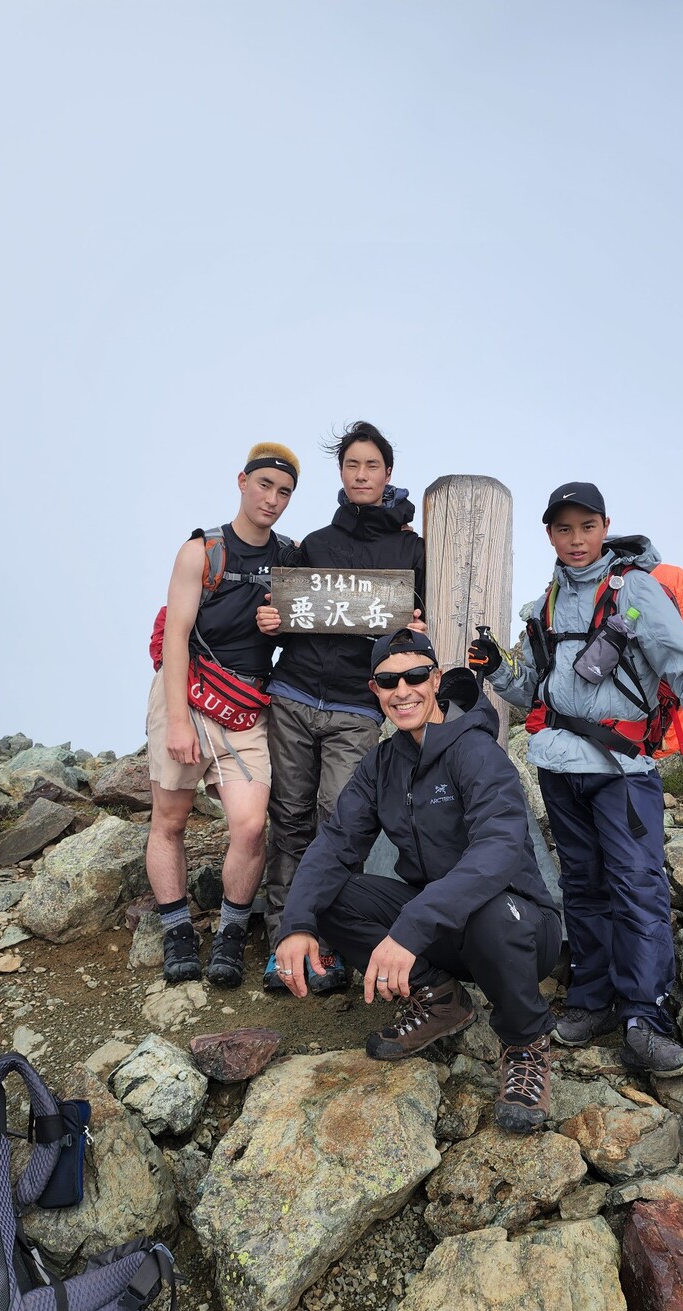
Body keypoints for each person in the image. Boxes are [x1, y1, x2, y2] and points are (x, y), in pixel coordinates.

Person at [469, 483, 683, 1077]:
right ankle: (592, 1000)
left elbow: (681, 659)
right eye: (563, 529)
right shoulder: (544, 604)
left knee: (637, 889)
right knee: (584, 886)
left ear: (604, 526)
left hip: (623, 769)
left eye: (586, 527)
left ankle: (646, 1018)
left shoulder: (636, 589)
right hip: (557, 764)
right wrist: (497, 670)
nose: (575, 540)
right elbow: (535, 690)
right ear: (550, 534)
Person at [273, 629, 563, 1130]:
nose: (402, 690)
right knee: (330, 896)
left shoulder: (476, 752)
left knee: (493, 910)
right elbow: (336, 844)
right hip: (443, 930)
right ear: (375, 689)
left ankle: (526, 1042)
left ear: (434, 680)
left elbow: (497, 852)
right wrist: (296, 923)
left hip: (521, 928)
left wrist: (409, 928)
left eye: (413, 676)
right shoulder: (381, 764)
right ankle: (441, 1000)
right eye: (388, 681)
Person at [258, 420, 426, 993]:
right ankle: (282, 943)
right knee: (289, 817)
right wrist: (270, 622)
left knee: (339, 820)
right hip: (295, 693)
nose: (361, 475)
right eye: (352, 465)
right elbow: (290, 625)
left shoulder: (413, 549)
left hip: (359, 705)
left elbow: (422, 631)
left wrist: (418, 629)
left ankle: (326, 943)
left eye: (371, 466)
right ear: (341, 473)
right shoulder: (315, 545)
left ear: (387, 475)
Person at [146, 442, 299, 988]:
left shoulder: (290, 556)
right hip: (186, 695)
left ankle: (231, 933)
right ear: (242, 481)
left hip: (247, 704)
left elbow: (313, 618)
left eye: (284, 492)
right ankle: (178, 931)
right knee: (170, 821)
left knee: (251, 825)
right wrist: (181, 720)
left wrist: (284, 627)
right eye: (264, 485)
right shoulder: (201, 552)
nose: (272, 499)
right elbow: (177, 638)